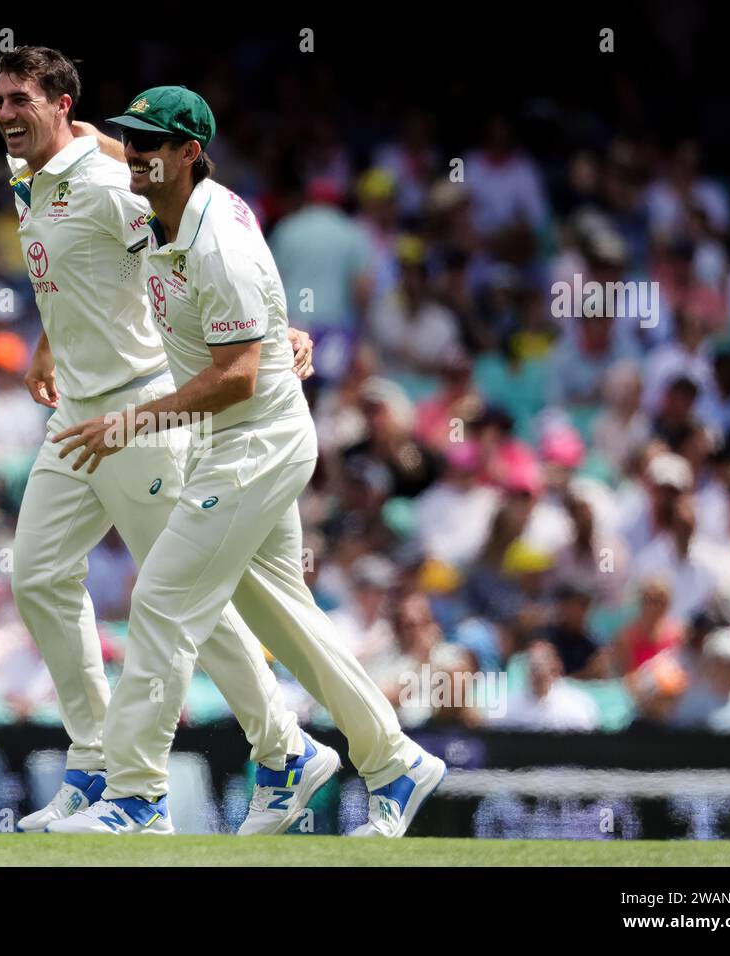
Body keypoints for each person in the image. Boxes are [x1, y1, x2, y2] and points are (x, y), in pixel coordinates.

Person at [47, 85, 443, 837]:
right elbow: (97, 141)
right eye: (130, 142)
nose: (132, 156)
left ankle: (134, 798)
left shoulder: (214, 237)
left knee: (162, 602)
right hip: (242, 440)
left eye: (149, 145)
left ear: (189, 153)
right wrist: (68, 131)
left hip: (253, 444)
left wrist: (127, 423)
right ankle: (393, 761)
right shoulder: (165, 196)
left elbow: (234, 378)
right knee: (289, 620)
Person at [0, 48, 326, 835]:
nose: (6, 113)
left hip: (140, 414)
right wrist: (49, 341)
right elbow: (67, 275)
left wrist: (275, 330)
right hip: (77, 409)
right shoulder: (28, 177)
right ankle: (94, 762)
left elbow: (204, 237)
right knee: (36, 574)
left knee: (183, 603)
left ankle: (282, 751)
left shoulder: (114, 184)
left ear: (62, 104)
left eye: (21, 101)